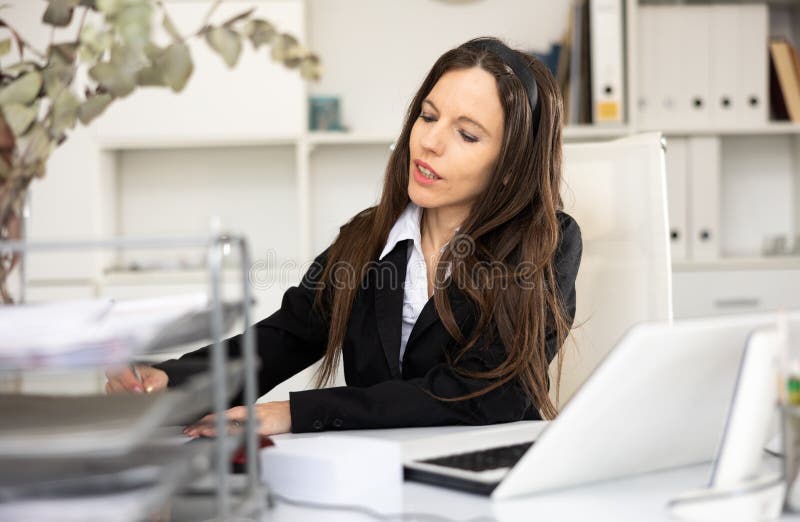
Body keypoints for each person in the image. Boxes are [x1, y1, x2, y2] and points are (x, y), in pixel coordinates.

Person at [106, 36, 583, 437]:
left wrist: (299, 412)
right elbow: (281, 338)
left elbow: (487, 396)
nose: (430, 142)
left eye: (468, 135)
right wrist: (171, 381)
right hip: (368, 475)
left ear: (510, 166)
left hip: (492, 480)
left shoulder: (546, 243)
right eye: (429, 115)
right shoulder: (367, 236)